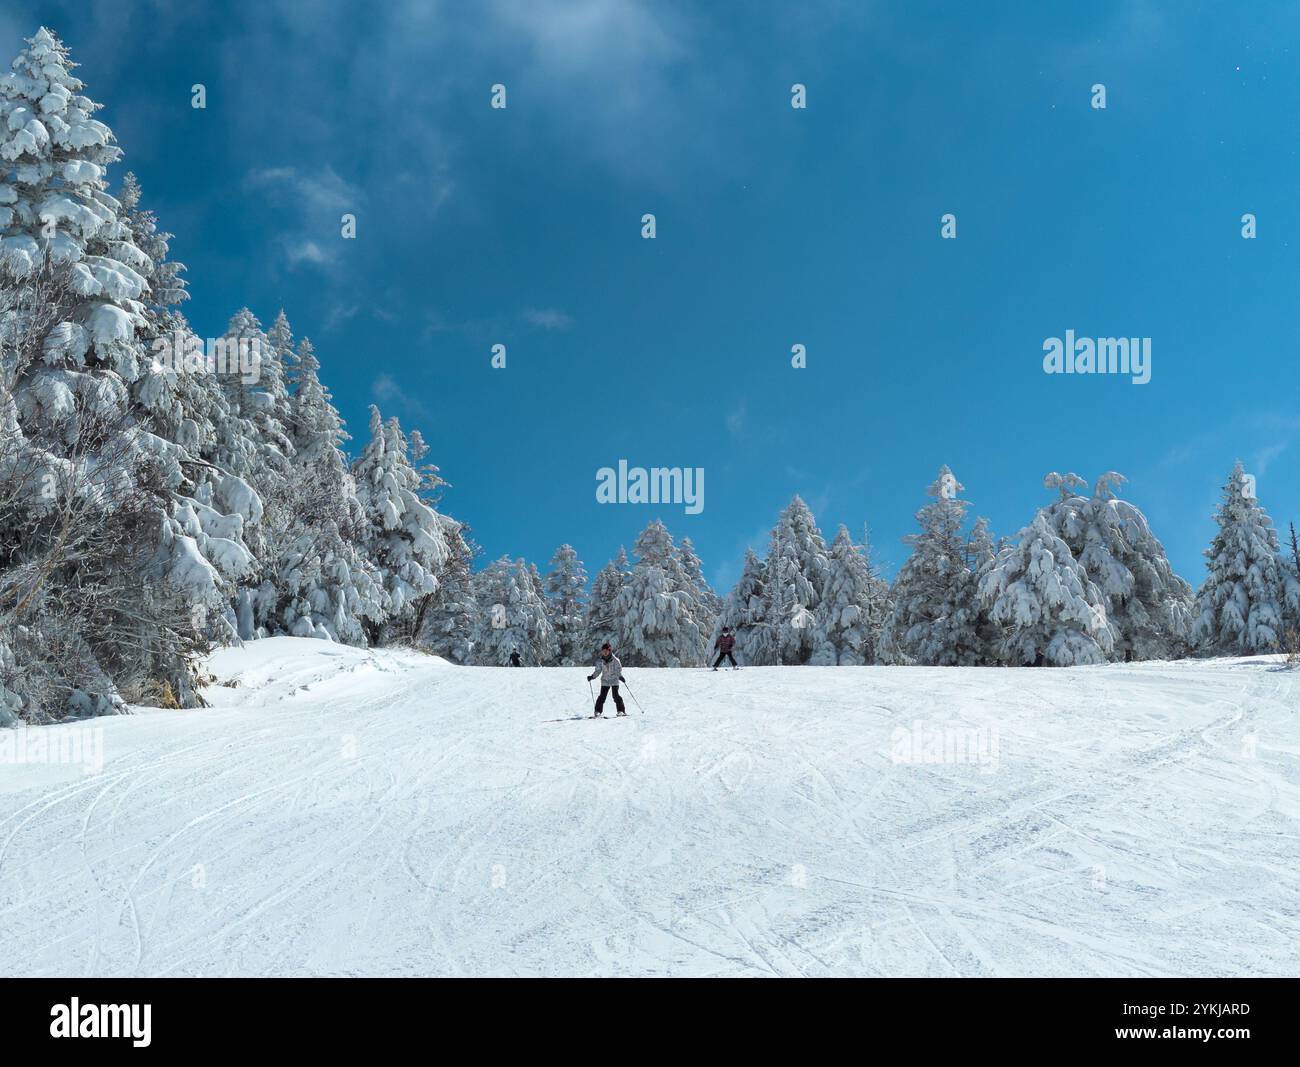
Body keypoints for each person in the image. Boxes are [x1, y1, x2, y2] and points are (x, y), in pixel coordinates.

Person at [586, 642, 627, 717]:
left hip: (614, 680)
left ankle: (621, 711)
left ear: (610, 651)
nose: (605, 652)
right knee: (602, 696)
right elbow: (598, 671)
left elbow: (618, 670)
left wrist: (620, 677)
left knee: (615, 695)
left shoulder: (616, 660)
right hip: (605, 680)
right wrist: (592, 677)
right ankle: (598, 711)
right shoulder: (600, 661)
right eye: (603, 651)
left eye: (606, 651)